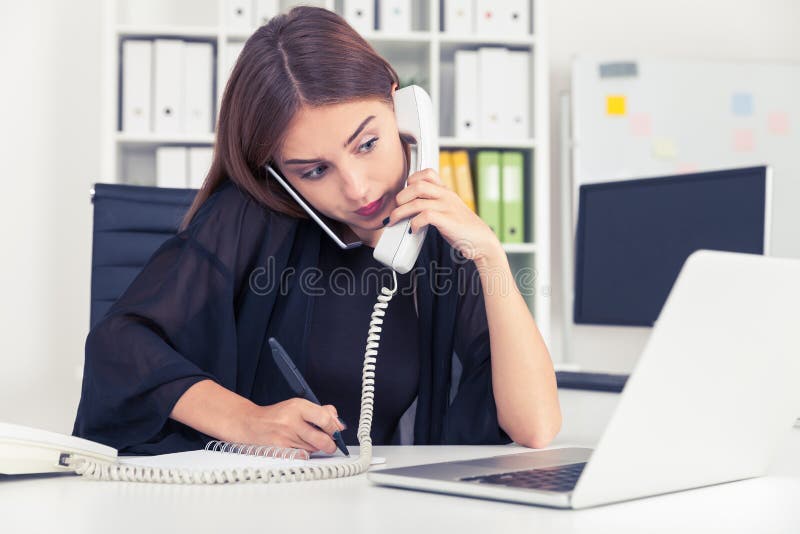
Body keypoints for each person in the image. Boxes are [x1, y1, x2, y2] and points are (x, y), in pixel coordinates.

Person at [73, 6, 561, 456]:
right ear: (281, 174)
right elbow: (119, 344)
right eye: (314, 171)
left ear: (403, 113)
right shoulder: (251, 214)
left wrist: (489, 253)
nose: (357, 188)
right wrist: (246, 421)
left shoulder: (437, 238)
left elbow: (536, 427)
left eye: (367, 144)